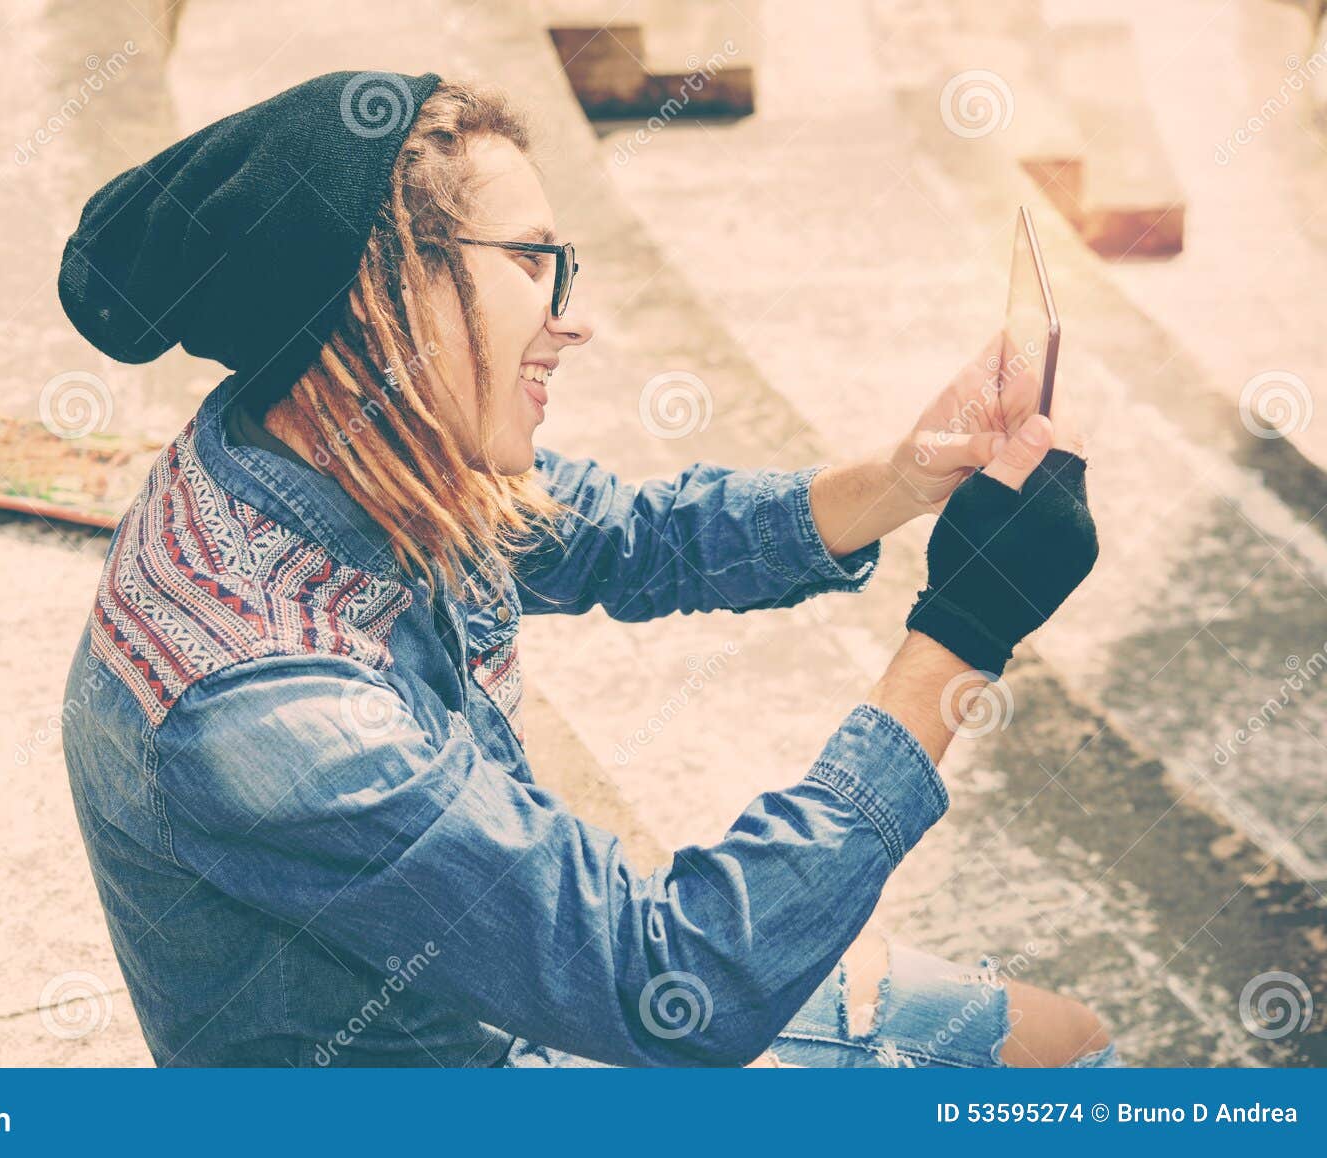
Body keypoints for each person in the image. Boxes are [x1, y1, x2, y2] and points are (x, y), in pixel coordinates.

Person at [56, 69, 1113, 1068]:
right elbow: (682, 976)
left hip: (506, 1021)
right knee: (1063, 1050)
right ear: (382, 289)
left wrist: (903, 475)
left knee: (1050, 1033)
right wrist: (966, 629)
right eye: (528, 263)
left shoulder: (314, 439)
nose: (571, 320)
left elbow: (626, 534)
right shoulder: (269, 708)